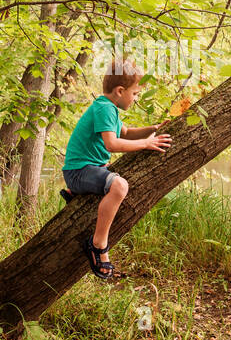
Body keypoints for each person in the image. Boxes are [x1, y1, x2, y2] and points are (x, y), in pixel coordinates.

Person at [61, 59, 170, 279]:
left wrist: (152, 130)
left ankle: (81, 192)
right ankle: (98, 243)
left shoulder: (107, 107)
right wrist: (146, 144)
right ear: (120, 91)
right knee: (120, 186)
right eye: (136, 94)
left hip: (86, 169)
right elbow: (112, 143)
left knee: (114, 178)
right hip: (78, 172)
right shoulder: (104, 109)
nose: (136, 98)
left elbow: (125, 133)